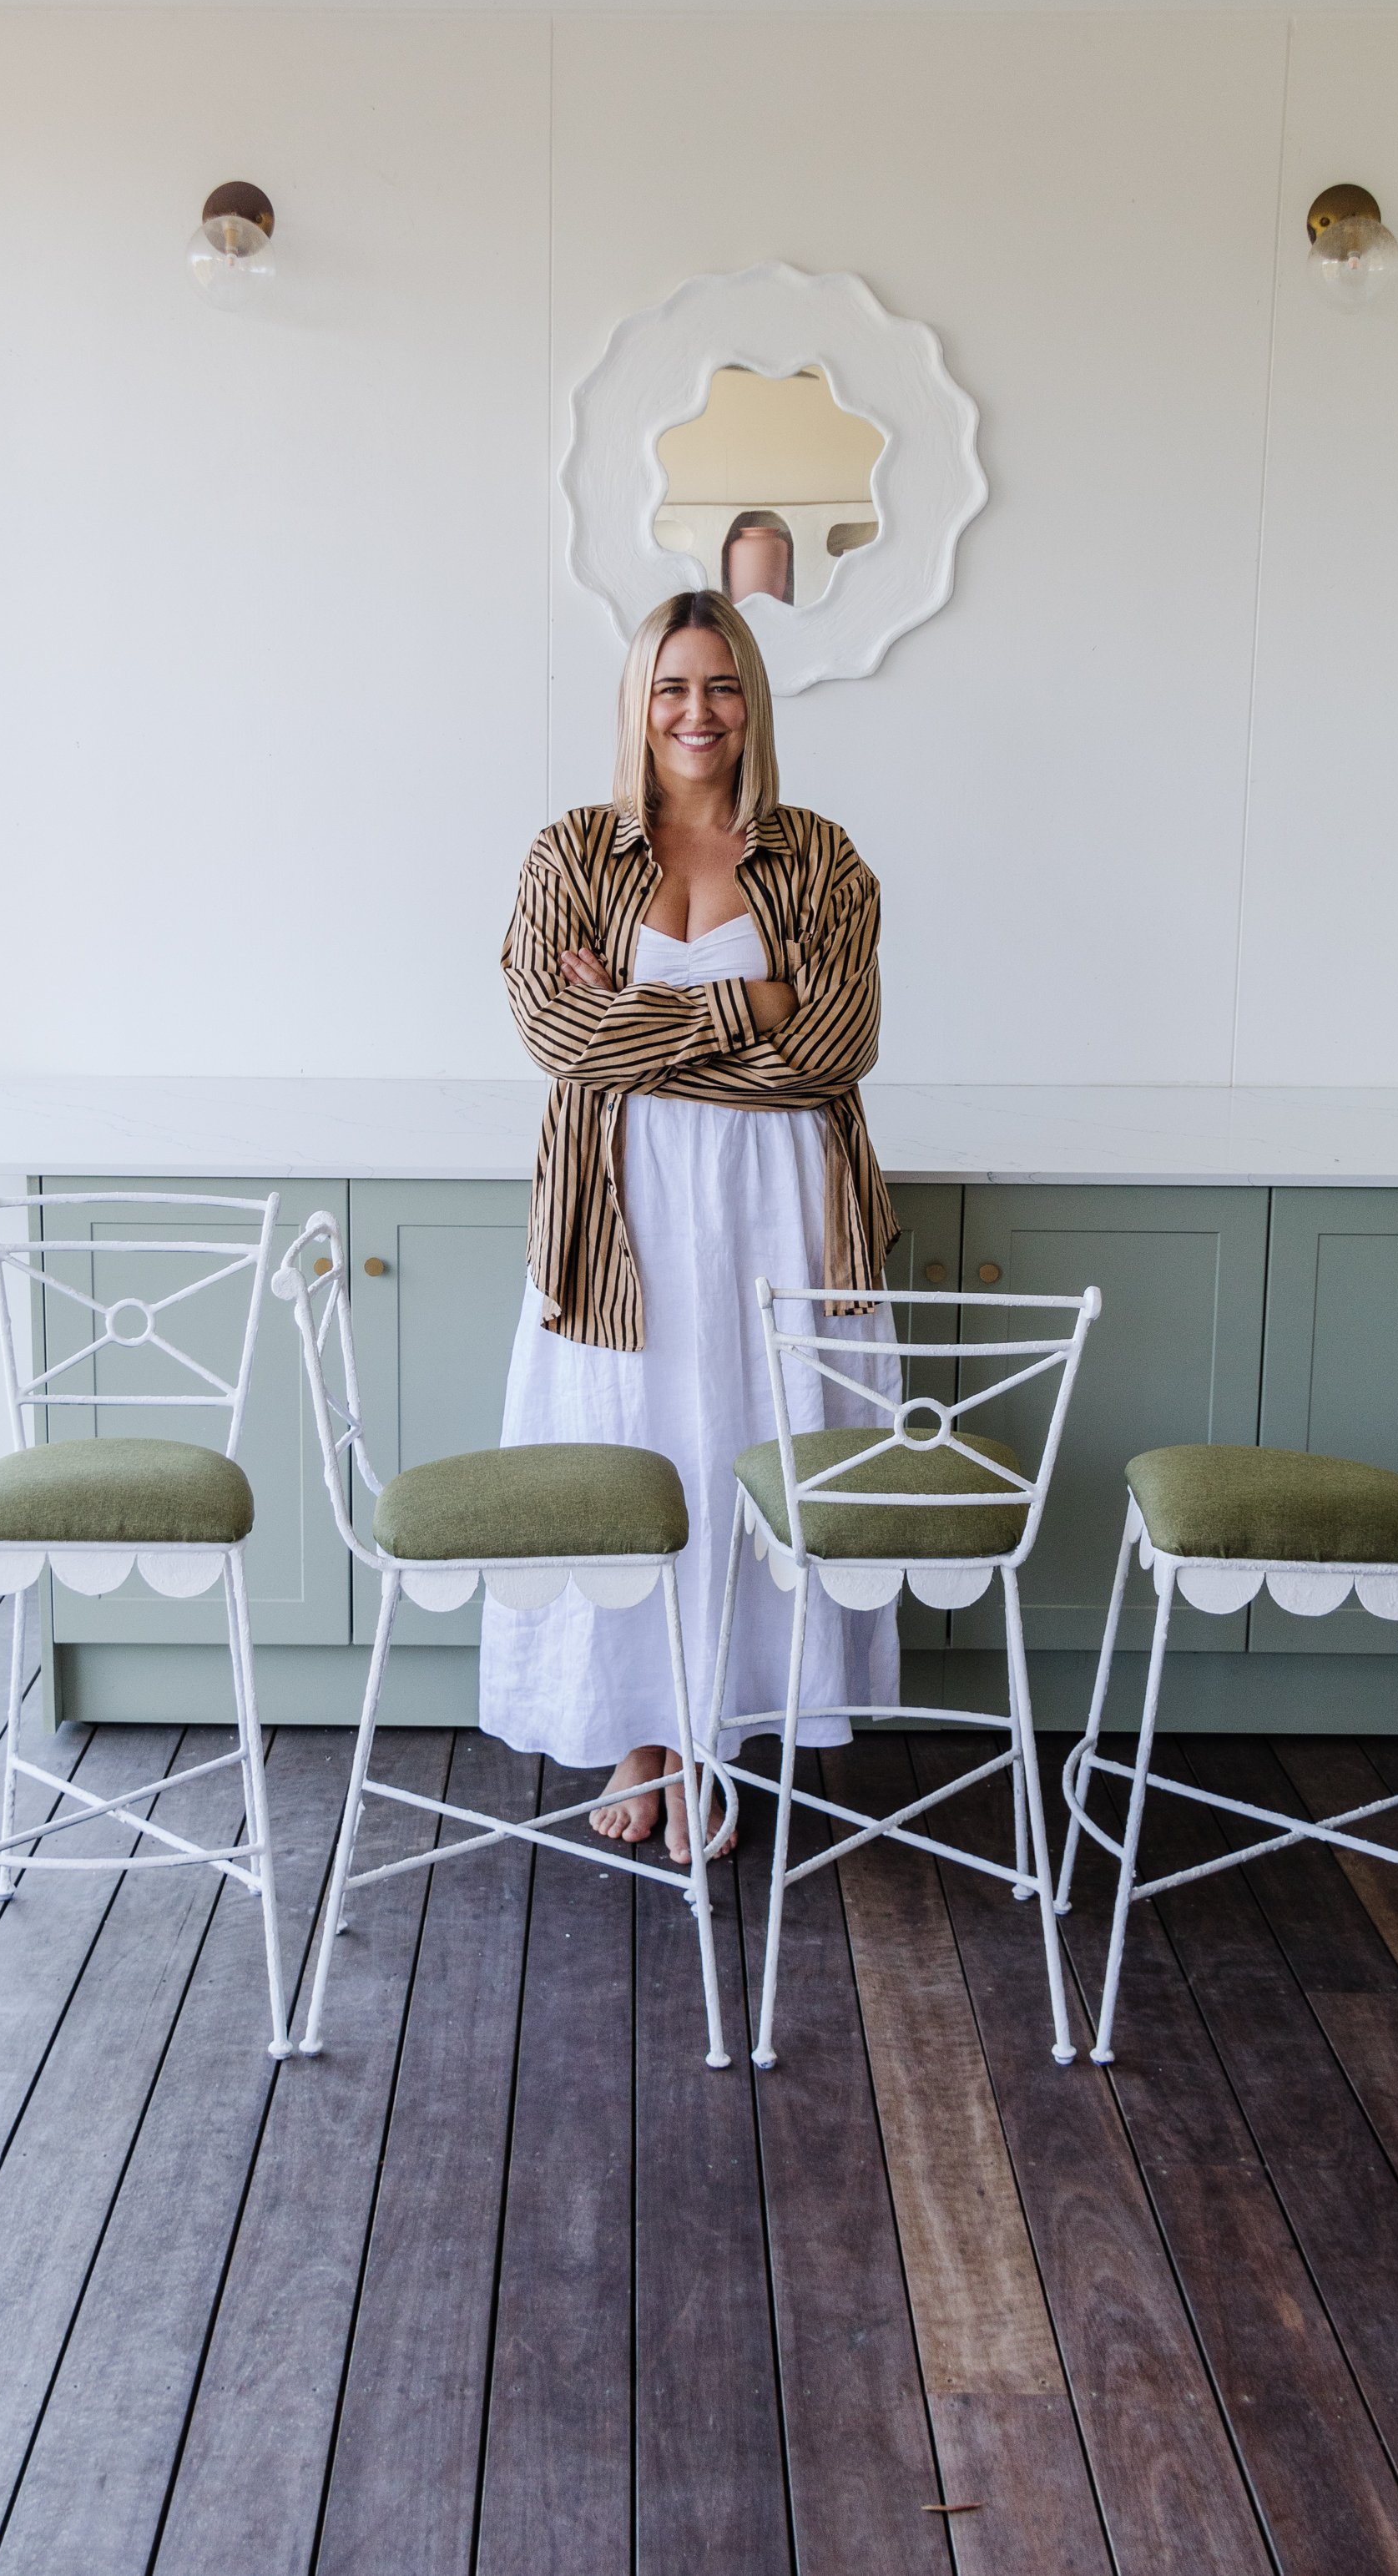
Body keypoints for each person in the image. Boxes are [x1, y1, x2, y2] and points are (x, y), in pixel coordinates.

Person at [482, 588, 900, 1861]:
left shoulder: (819, 854)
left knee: (752, 1442)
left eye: (719, 685)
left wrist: (646, 1034)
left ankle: (718, 1723)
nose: (696, 710)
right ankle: (639, 1729)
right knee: (631, 1444)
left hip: (784, 1203)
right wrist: (749, 1001)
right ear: (637, 702)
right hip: (620, 1219)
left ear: (753, 701)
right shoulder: (571, 853)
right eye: (671, 686)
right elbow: (560, 1038)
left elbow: (839, 1045)